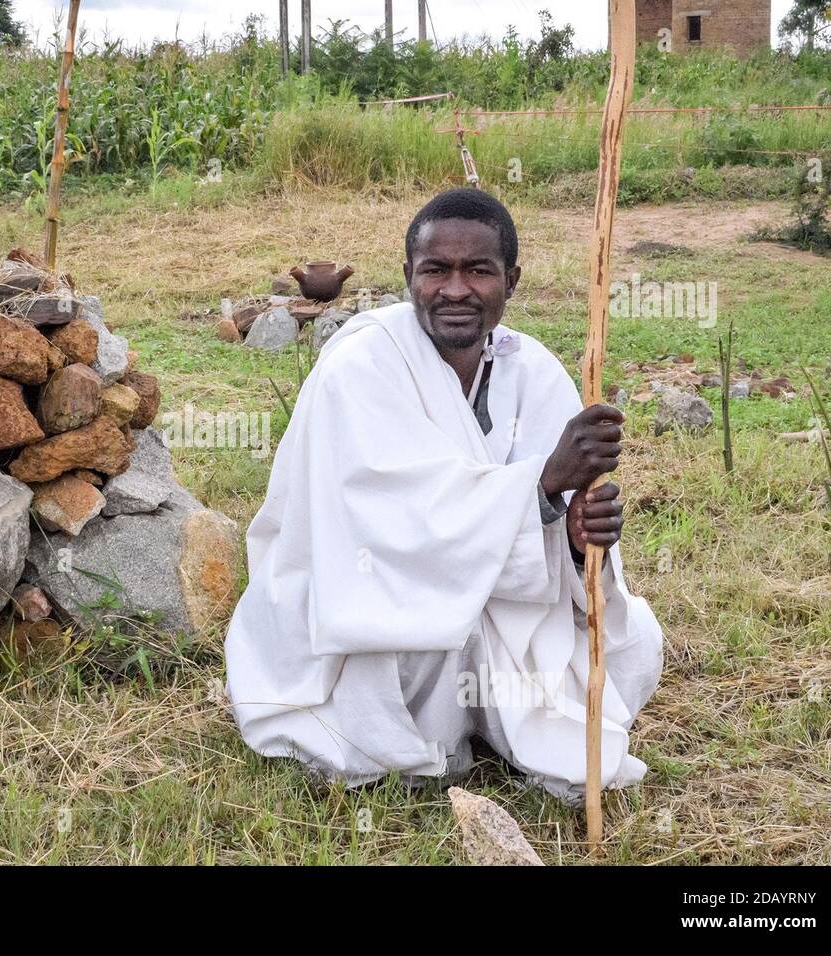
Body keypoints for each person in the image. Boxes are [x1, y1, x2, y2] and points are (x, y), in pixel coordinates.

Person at [223, 188, 664, 802]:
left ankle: (500, 719)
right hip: (373, 598)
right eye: (436, 270)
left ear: (511, 280)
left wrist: (569, 535)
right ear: (408, 276)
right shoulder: (360, 364)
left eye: (478, 271)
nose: (455, 290)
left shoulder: (534, 371)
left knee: (635, 640)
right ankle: (453, 728)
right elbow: (387, 534)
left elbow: (557, 537)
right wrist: (540, 487)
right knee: (420, 645)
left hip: (502, 596)